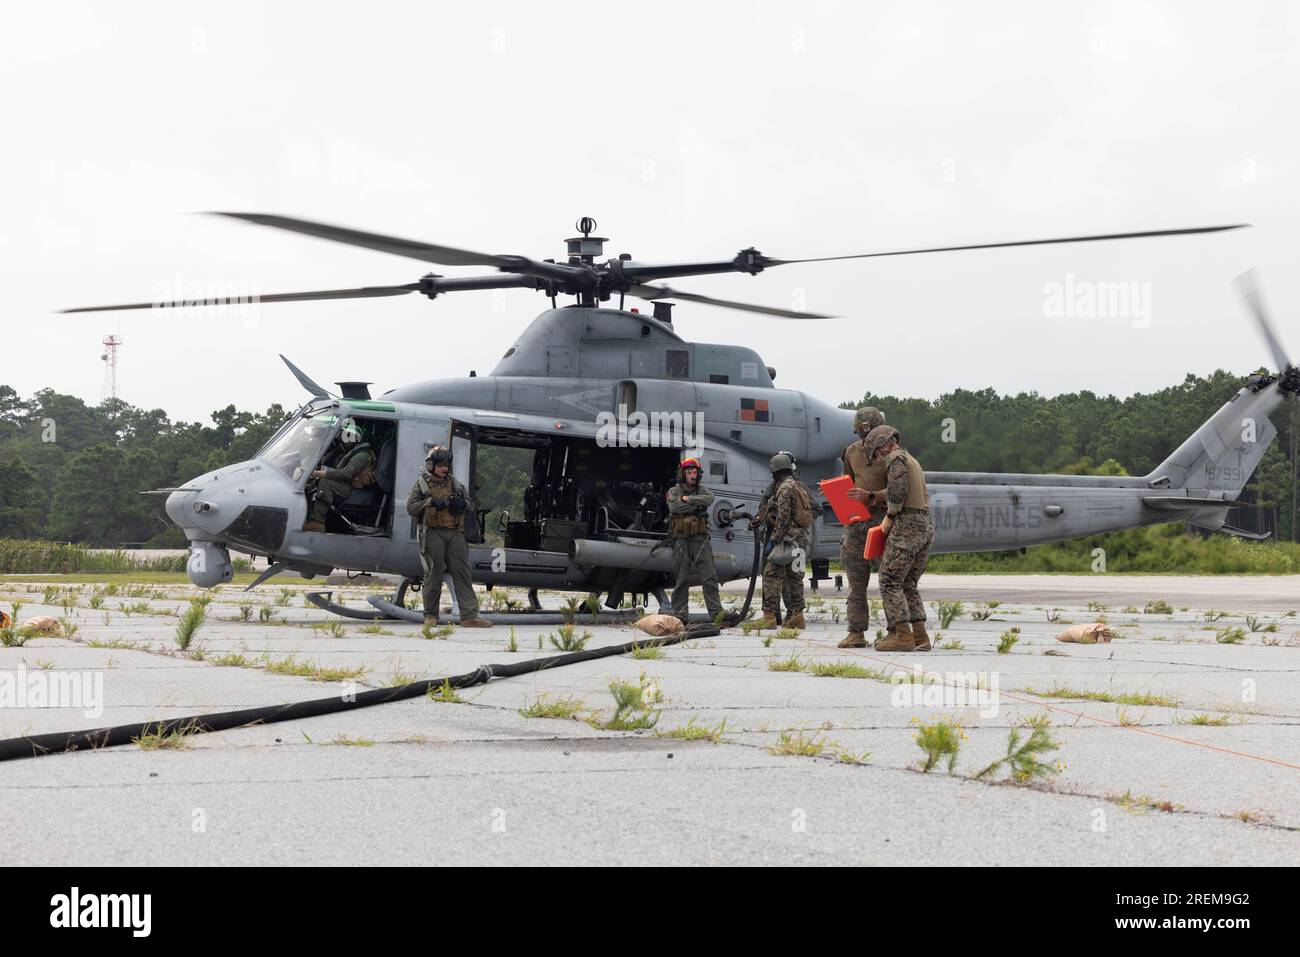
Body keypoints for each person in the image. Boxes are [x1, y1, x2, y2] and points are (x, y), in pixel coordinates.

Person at [404, 445, 492, 628]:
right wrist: (431, 502)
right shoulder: (421, 484)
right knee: (433, 574)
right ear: (431, 465)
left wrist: (462, 505)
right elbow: (411, 508)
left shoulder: (455, 483)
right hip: (433, 533)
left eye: (447, 464)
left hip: (455, 534)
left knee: (462, 573)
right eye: (441, 465)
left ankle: (469, 615)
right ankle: (430, 615)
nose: (445, 468)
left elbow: (470, 504)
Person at [864, 425, 933, 652]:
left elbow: (898, 492)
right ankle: (920, 637)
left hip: (907, 525)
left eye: (875, 453)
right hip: (924, 523)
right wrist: (875, 496)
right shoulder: (910, 460)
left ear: (883, 445)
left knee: (889, 579)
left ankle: (902, 635)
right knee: (908, 583)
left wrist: (889, 516)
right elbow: (899, 488)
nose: (876, 458)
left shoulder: (894, 459)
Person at [837, 407, 888, 647]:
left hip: (885, 521)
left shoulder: (892, 453)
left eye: (871, 434)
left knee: (890, 580)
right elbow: (847, 482)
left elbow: (900, 490)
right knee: (856, 583)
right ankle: (856, 632)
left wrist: (872, 496)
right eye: (862, 435)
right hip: (857, 524)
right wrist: (837, 493)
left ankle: (897, 630)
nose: (866, 440)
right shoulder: (850, 452)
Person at [756, 451, 813, 629]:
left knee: (771, 575)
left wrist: (773, 541)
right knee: (796, 578)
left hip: (787, 542)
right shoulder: (798, 486)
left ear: (775, 471)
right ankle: (796, 616)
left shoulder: (784, 489)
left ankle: (769, 617)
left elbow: (783, 519)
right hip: (801, 540)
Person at [665, 457, 723, 625]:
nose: (692, 475)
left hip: (700, 539)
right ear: (683, 474)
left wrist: (688, 500)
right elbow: (674, 507)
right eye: (689, 472)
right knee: (681, 579)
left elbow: (709, 499)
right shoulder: (674, 491)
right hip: (681, 540)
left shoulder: (703, 491)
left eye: (694, 472)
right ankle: (680, 617)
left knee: (709, 578)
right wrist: (695, 506)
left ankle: (717, 615)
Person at [304, 418, 375, 532]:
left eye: (348, 438)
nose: (344, 441)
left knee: (325, 482)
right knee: (316, 482)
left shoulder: (362, 455)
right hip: (347, 484)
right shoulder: (354, 452)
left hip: (353, 489)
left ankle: (317, 522)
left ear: (355, 439)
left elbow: (346, 474)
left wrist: (322, 473)